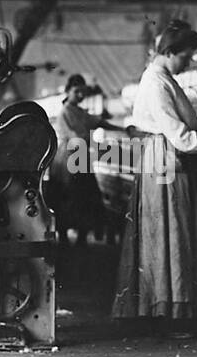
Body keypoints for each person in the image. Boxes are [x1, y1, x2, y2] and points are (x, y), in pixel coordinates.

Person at [112, 18, 197, 336]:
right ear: (171, 51)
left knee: (172, 235)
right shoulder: (157, 82)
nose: (188, 63)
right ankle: (173, 313)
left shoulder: (161, 77)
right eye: (186, 56)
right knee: (173, 237)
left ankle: (175, 310)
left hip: (165, 162)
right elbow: (180, 137)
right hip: (167, 163)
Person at [45, 74, 135, 245]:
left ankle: (81, 238)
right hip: (68, 159)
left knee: (86, 197)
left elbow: (99, 122)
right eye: (76, 91)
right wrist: (91, 138)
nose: (80, 95)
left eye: (83, 92)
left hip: (81, 157)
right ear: (68, 91)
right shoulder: (64, 112)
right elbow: (74, 136)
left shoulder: (80, 112)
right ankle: (64, 238)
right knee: (68, 196)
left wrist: (123, 129)